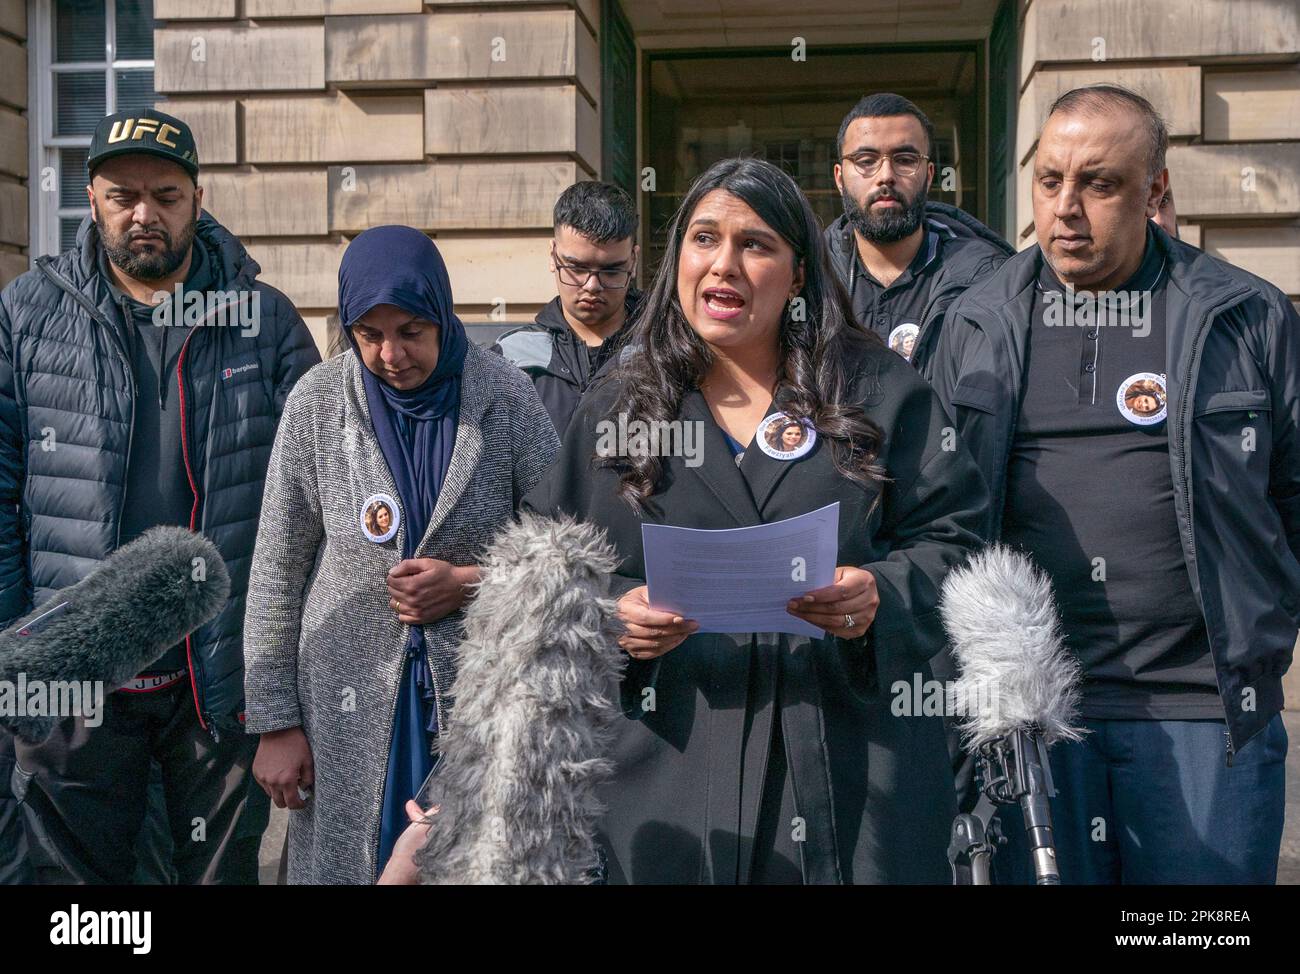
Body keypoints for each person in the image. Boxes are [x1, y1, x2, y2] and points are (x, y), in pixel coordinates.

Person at [523, 157, 990, 884]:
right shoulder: (620, 404)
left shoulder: (878, 391)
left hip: (849, 759)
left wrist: (881, 595)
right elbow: (542, 576)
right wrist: (617, 612)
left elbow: (959, 545)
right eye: (704, 239)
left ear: (800, 274)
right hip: (666, 772)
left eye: (757, 244)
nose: (725, 265)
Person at [922, 85, 1297, 884]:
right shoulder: (976, 318)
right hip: (1031, 717)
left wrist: (1263, 630)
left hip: (1204, 708)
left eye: (1098, 184)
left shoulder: (1246, 316)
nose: (1066, 208)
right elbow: (935, 509)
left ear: (1156, 190)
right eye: (1050, 180)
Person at [0, 109, 318, 885]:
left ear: (198, 199)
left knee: (218, 873)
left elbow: (316, 504)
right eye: (124, 196)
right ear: (92, 200)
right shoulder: (27, 315)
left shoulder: (264, 320)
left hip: (215, 675)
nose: (145, 214)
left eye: (166, 195)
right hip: (75, 678)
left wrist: (282, 681)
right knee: (71, 891)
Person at [242, 226, 559, 885]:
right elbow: (277, 568)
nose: (391, 354)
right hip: (341, 716)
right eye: (370, 334)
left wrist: (472, 583)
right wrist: (275, 722)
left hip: (475, 712)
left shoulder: (504, 398)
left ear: (443, 315)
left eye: (412, 331)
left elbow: (565, 555)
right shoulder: (318, 404)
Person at [826, 93, 1012, 366]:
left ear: (929, 176)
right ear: (840, 178)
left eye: (905, 160)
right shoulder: (806, 277)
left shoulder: (986, 278)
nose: (886, 175)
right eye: (866, 160)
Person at [492, 181, 641, 435]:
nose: (592, 286)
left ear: (633, 261)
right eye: (577, 268)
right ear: (553, 256)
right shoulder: (509, 358)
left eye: (611, 271)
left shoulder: (669, 349)